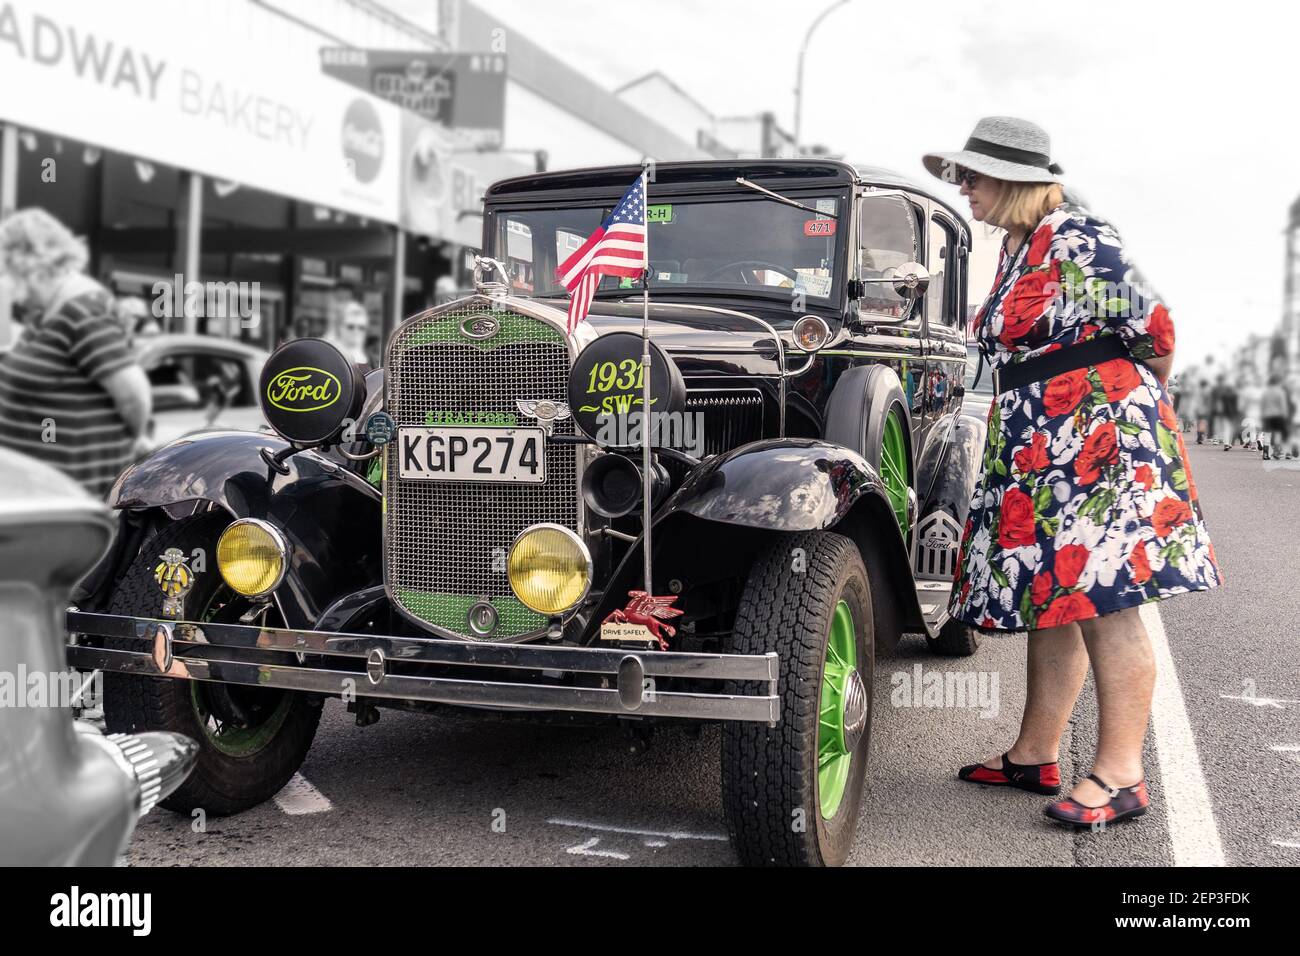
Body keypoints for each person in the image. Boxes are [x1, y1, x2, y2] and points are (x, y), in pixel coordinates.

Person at [923, 117, 1222, 830]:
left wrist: (1126, 411)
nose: (963, 187)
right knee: (1055, 600)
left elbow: (1157, 331)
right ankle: (1035, 754)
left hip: (1095, 432)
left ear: (1020, 179)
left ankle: (1121, 776)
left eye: (972, 175)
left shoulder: (1078, 234)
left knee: (1107, 599)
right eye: (961, 175)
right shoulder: (1025, 247)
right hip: (1040, 433)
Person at [0, 209, 152, 497]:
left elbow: (134, 396)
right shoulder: (45, 311)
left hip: (68, 495)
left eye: (4, 270)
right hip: (34, 487)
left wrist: (135, 438)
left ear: (27, 265)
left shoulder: (84, 311)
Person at [324, 299, 372, 373]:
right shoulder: (329, 356)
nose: (356, 331)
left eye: (361, 328)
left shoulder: (372, 360)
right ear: (339, 327)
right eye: (350, 327)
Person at [1260, 369, 1290, 461]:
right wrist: (1285, 415)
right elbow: (1283, 405)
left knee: (1267, 434)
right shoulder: (1280, 392)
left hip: (1267, 415)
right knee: (1277, 434)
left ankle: (1265, 453)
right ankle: (1276, 452)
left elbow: (1262, 404)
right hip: (1278, 415)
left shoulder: (1266, 392)